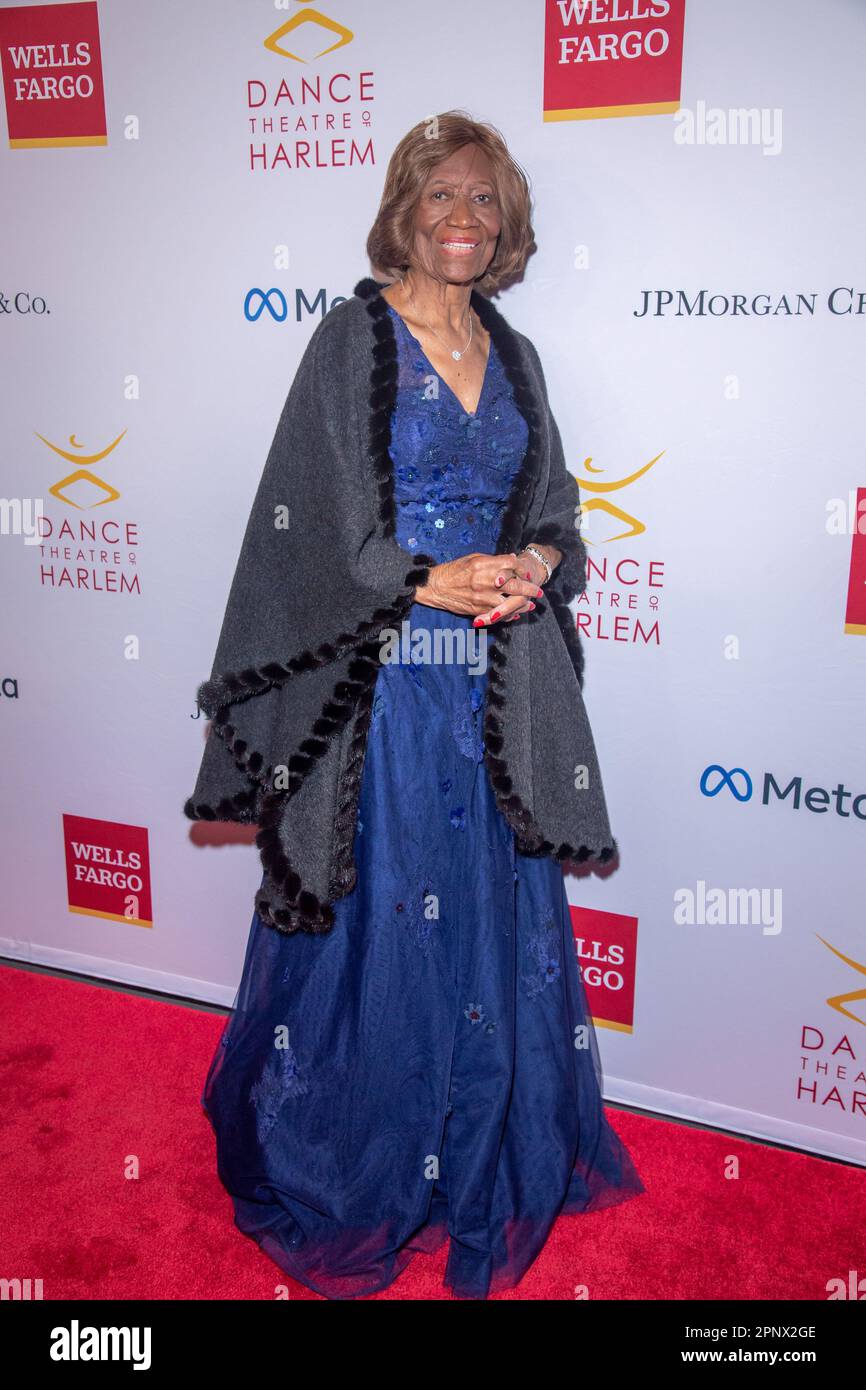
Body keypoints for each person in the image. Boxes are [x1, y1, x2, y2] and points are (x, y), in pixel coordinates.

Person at [187, 111, 644, 1300]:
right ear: (404, 208)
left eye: (484, 201)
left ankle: (472, 1153)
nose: (461, 219)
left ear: (506, 225)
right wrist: (421, 578)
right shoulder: (351, 339)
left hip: (490, 691)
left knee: (487, 921)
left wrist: (539, 566)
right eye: (441, 196)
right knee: (380, 918)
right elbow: (306, 520)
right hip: (383, 691)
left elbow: (556, 512)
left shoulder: (517, 352)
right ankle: (360, 1161)